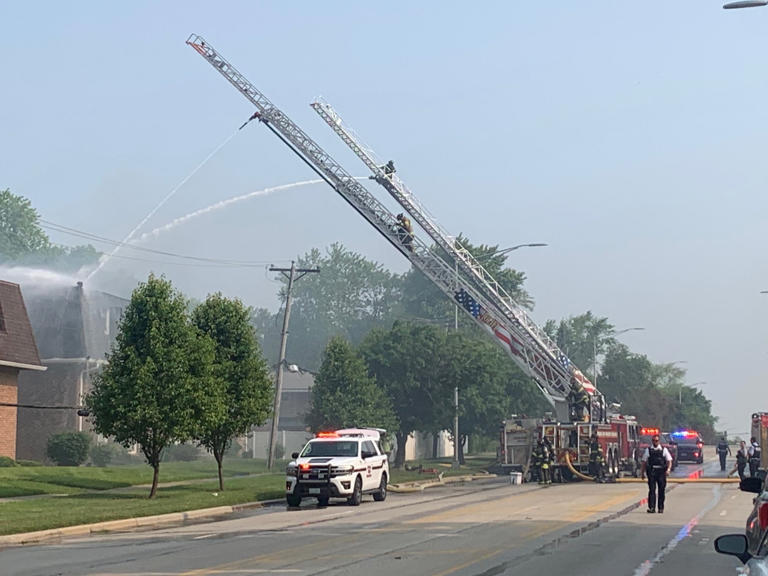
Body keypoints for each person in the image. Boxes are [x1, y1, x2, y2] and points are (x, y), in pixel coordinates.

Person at [641, 433, 673, 514]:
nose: (655, 442)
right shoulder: (648, 450)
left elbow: (669, 460)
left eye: (657, 441)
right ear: (652, 441)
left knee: (661, 490)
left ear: (659, 441)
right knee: (652, 490)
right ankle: (651, 507)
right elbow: (644, 462)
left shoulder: (664, 450)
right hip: (651, 472)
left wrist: (668, 469)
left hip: (661, 472)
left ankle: (660, 508)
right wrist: (642, 473)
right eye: (654, 441)